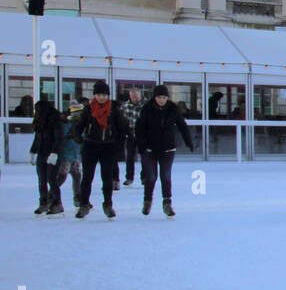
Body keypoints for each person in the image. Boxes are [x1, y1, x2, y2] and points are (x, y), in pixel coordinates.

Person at [71, 81, 130, 220]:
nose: (101, 97)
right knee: (87, 177)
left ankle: (108, 204)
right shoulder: (89, 109)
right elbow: (80, 125)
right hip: (91, 145)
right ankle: (84, 204)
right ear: (95, 95)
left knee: (107, 177)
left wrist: (120, 146)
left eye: (104, 94)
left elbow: (122, 128)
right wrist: (77, 136)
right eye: (98, 94)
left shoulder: (114, 109)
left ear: (108, 95)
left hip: (108, 146)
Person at [134, 85, 195, 216]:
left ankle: (167, 203)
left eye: (164, 97)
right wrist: (142, 145)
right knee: (150, 177)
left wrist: (189, 142)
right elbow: (139, 129)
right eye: (159, 97)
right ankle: (147, 201)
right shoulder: (147, 109)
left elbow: (182, 126)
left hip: (168, 149)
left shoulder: (173, 109)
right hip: (150, 149)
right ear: (154, 97)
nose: (161, 100)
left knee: (165, 176)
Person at [30, 99, 64, 215]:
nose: (37, 112)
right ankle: (43, 203)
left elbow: (59, 139)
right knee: (41, 180)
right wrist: (32, 151)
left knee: (51, 179)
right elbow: (37, 138)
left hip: (52, 154)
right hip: (41, 153)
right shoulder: (40, 121)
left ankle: (56, 203)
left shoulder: (55, 121)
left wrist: (55, 153)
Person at [57, 101, 84, 212]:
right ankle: (51, 195)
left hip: (75, 154)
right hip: (65, 154)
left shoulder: (82, 124)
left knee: (77, 175)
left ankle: (78, 197)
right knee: (62, 176)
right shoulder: (66, 124)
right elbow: (62, 137)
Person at [119, 87, 145, 187]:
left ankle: (144, 177)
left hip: (142, 133)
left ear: (140, 95)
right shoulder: (125, 106)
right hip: (130, 134)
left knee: (144, 157)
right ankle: (129, 177)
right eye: (132, 95)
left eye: (136, 95)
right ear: (130, 96)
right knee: (130, 157)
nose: (134, 97)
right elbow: (121, 119)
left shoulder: (145, 106)